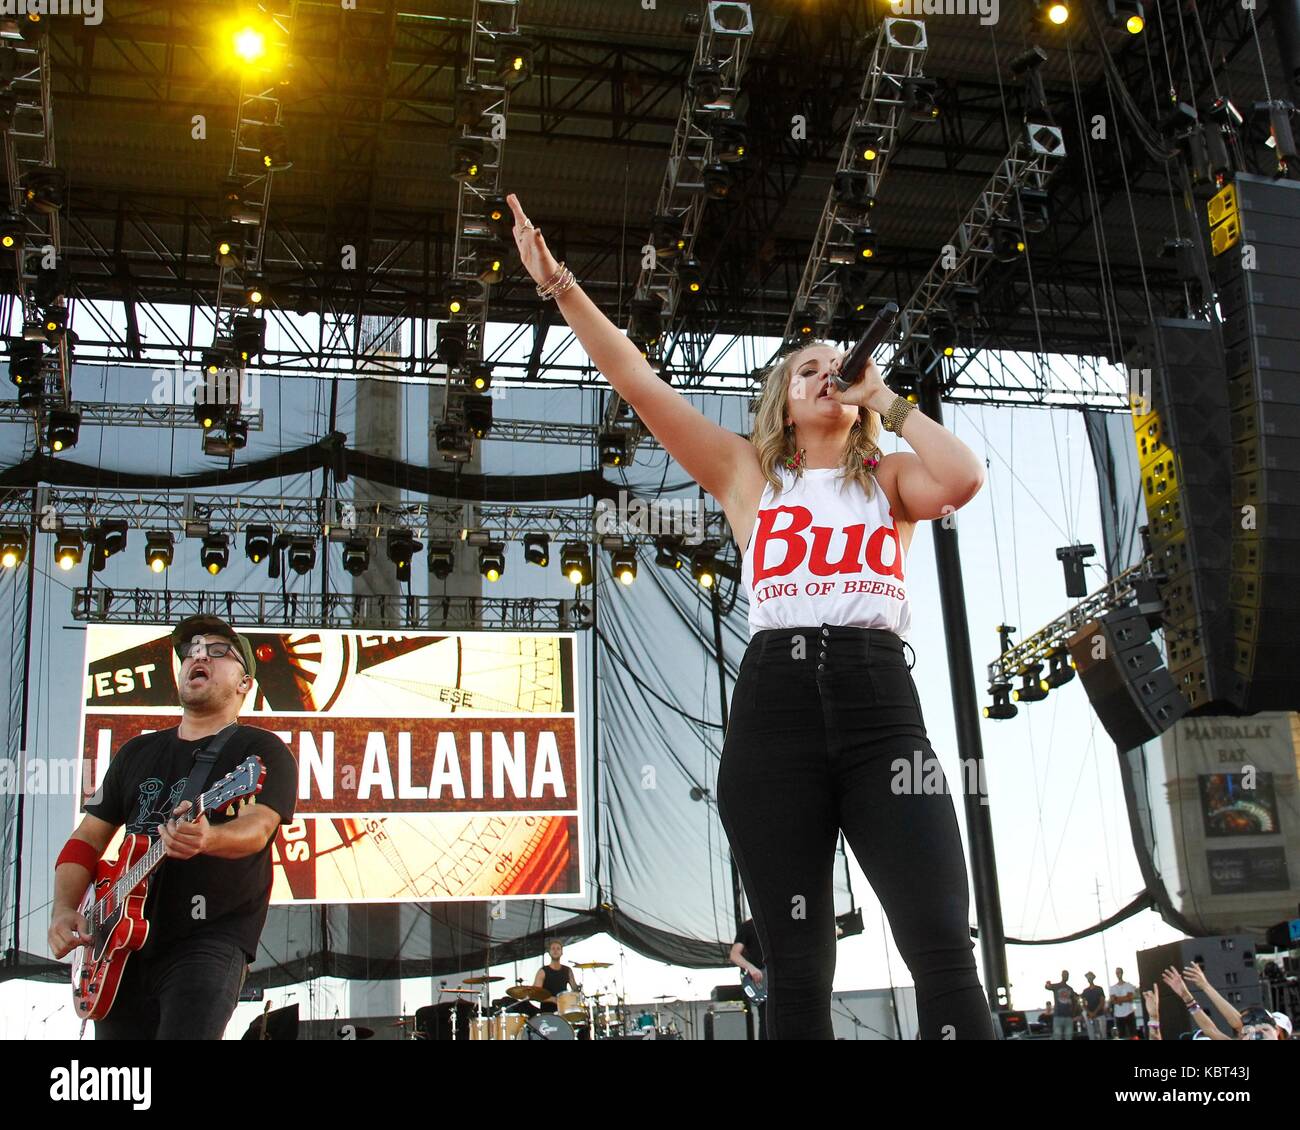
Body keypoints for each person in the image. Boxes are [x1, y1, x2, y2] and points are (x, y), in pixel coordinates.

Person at [507, 194, 993, 1040]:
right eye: (807, 368)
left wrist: (892, 399)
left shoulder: (891, 479)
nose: (826, 373)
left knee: (942, 941)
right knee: (796, 966)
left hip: (882, 707)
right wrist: (561, 288)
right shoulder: (747, 477)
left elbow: (962, 479)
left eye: (838, 365)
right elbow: (637, 380)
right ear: (781, 399)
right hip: (776, 716)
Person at [48, 615, 298, 1040]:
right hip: (119, 947)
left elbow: (259, 826)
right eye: (192, 649)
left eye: (218, 650)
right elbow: (87, 838)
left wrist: (211, 836)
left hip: (207, 937)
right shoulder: (137, 752)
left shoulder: (259, 750)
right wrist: (64, 909)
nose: (198, 654)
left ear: (244, 684)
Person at [729, 917, 767, 1040]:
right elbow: (734, 954)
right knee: (766, 1022)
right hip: (762, 983)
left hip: (781, 981)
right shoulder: (748, 926)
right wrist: (751, 968)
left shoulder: (778, 924)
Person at [533, 938, 582, 1009]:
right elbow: (536, 994)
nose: (555, 950)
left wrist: (578, 987)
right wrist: (552, 999)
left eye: (558, 948)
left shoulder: (568, 970)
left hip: (564, 1009)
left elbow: (575, 990)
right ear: (549, 952)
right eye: (553, 948)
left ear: (562, 952)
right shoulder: (543, 971)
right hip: (547, 1012)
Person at [1044, 971, 1078, 1040]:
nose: (1066, 976)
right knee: (1057, 1037)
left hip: (1068, 1018)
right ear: (1062, 975)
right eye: (1065, 975)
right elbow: (1047, 987)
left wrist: (1073, 1014)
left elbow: (1075, 1002)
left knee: (1069, 1037)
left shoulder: (1070, 989)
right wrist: (1047, 984)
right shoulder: (1056, 986)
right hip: (1058, 1017)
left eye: (1067, 975)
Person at [1109, 966, 1138, 1038]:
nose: (1118, 974)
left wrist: (1117, 999)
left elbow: (1130, 998)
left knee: (1133, 1034)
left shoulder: (1129, 985)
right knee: (1121, 1036)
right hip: (1118, 1015)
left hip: (1129, 1013)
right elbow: (1113, 1000)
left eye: (1119, 972)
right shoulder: (1112, 988)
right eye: (1117, 972)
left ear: (1122, 973)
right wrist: (1124, 998)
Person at [1080, 971, 1107, 1040]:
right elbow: (1083, 1004)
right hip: (1090, 1017)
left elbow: (1102, 1002)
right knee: (1092, 1036)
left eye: (1090, 977)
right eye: (1088, 977)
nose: (1089, 978)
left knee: (1102, 1036)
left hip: (1100, 1015)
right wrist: (1090, 1013)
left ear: (1093, 978)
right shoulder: (1085, 991)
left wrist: (1094, 1012)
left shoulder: (1099, 989)